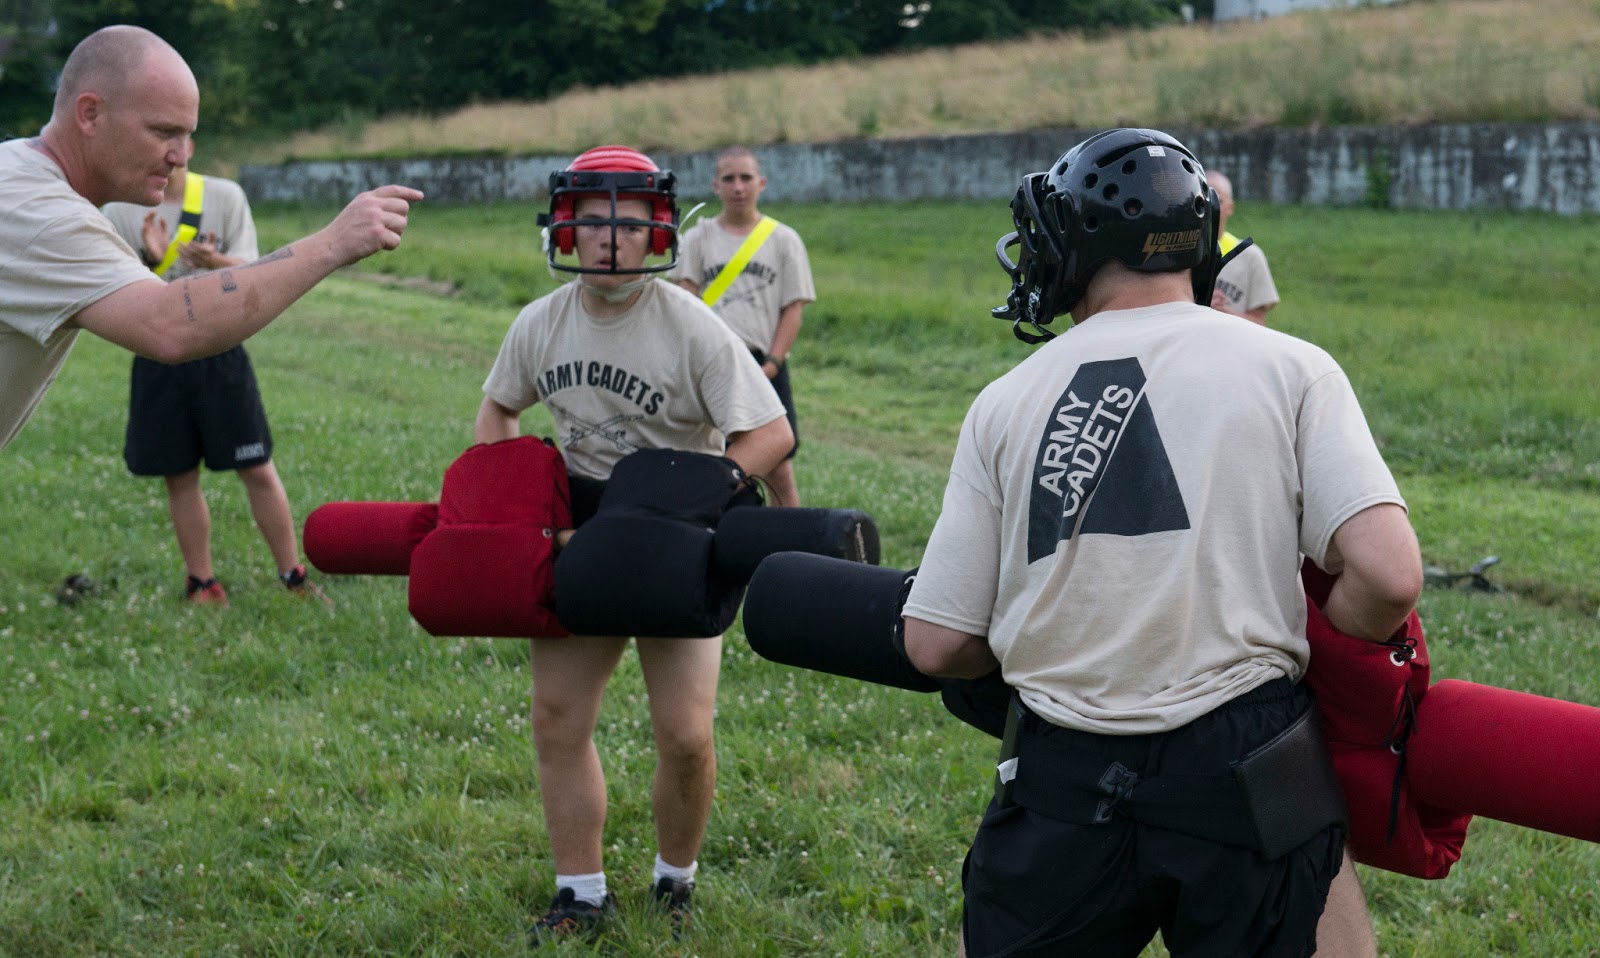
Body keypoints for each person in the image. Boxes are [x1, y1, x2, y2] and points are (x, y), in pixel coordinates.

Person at [900, 128, 1421, 958]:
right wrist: (1329, 648)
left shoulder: (1007, 398)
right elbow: (1390, 577)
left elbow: (935, 642)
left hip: (1060, 775)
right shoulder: (1292, 366)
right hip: (1248, 766)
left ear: (1075, 242)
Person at [472, 145, 792, 941]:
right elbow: (498, 410)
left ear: (657, 231)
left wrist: (700, 498)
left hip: (675, 533)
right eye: (590, 224)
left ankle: (674, 882)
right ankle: (580, 891)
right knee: (557, 715)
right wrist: (515, 494)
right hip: (583, 528)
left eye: (627, 223)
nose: (608, 240)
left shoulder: (691, 326)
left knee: (685, 733)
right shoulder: (538, 324)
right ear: (564, 230)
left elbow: (771, 432)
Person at [0, 24, 420, 455]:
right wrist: (334, 243)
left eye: (186, 135)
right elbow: (169, 325)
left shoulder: (19, 175)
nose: (180, 157)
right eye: (164, 131)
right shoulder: (38, 211)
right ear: (90, 114)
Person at [102, 142, 327, 607]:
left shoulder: (224, 197)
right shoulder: (121, 210)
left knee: (257, 466)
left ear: (192, 145)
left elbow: (255, 269)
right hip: (159, 357)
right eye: (157, 136)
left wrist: (212, 263)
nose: (170, 152)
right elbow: (110, 289)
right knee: (178, 475)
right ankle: (201, 584)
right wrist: (151, 258)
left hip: (221, 352)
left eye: (179, 138)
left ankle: (292, 575)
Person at [671, 146, 814, 507]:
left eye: (746, 178)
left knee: (777, 460)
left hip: (763, 363)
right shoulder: (697, 240)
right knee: (709, 455)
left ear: (761, 183)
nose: (738, 187)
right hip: (710, 364)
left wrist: (773, 363)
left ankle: (791, 535)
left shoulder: (783, 240)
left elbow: (793, 308)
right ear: (715, 186)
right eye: (729, 179)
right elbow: (683, 303)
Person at [1208, 169, 1279, 325]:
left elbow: (1259, 323)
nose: (1210, 207)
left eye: (1217, 200)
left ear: (1230, 208)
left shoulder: (1250, 256)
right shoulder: (1179, 254)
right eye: (1203, 199)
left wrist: (1222, 311)